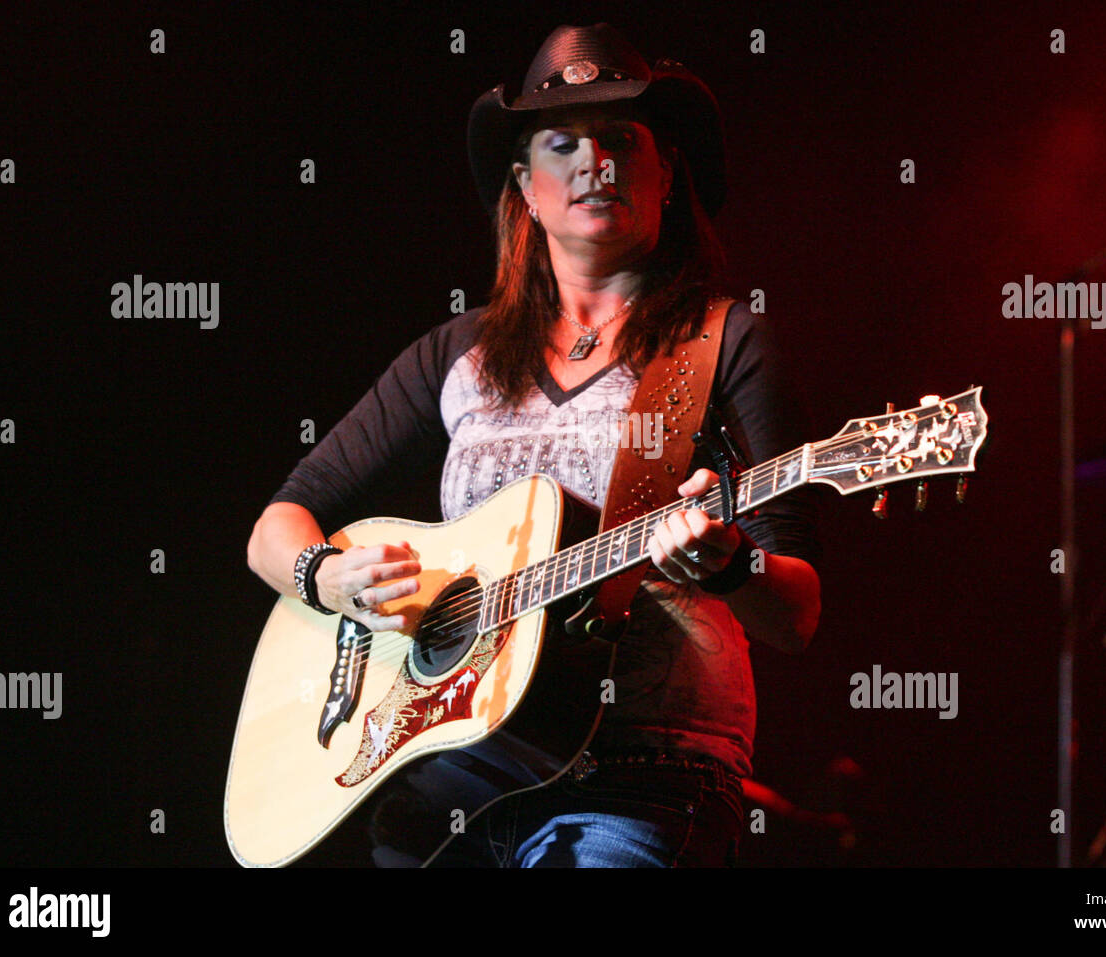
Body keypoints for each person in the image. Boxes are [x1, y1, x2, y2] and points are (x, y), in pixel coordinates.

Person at [246, 22, 824, 867]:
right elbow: (276, 526)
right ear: (526, 182)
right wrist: (328, 576)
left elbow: (799, 615)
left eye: (622, 140)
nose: (595, 162)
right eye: (564, 142)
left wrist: (729, 562)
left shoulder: (727, 342)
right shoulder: (456, 354)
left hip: (643, 773)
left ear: (665, 170)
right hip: (447, 777)